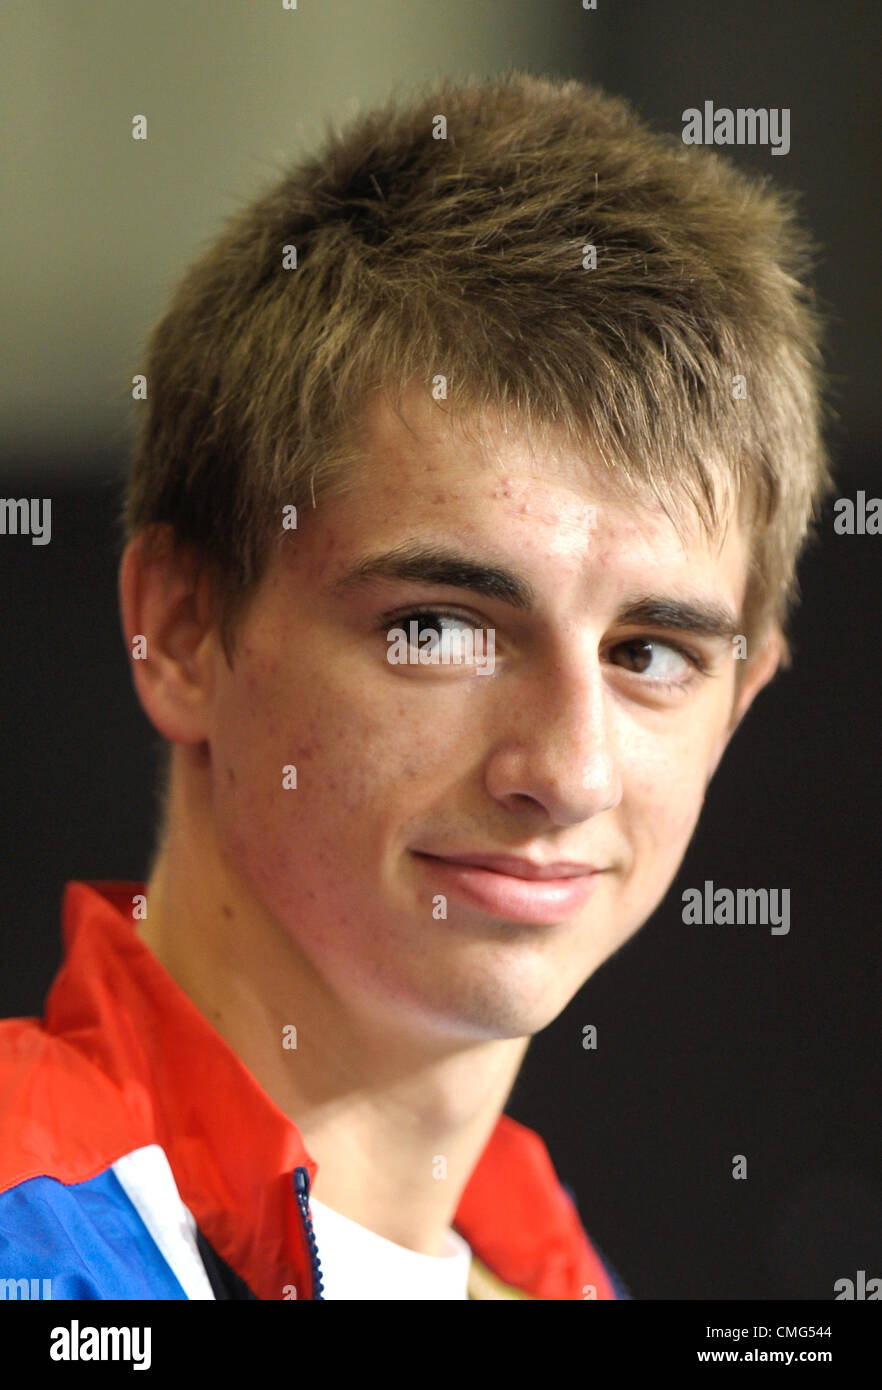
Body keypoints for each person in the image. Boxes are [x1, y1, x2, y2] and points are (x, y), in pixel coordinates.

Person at [0, 70, 831, 1300]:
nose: (568, 771)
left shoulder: (568, 1277)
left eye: (650, 655)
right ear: (180, 630)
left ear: (742, 699)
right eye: (441, 627)